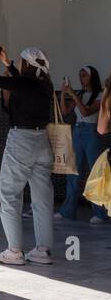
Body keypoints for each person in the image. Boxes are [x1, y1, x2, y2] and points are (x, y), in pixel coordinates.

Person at [0, 45, 55, 264]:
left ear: (27, 64)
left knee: (10, 195)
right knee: (42, 199)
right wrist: (9, 64)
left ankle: (14, 251)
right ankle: (43, 251)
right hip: (42, 142)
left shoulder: (23, 84)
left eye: (21, 61)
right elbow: (22, 83)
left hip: (21, 141)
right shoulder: (45, 85)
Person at [58, 65, 108, 224]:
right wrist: (64, 94)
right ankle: (67, 211)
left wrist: (74, 95)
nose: (81, 78)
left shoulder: (100, 95)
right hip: (78, 131)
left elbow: (86, 112)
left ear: (92, 77)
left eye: (84, 75)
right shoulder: (79, 94)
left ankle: (99, 213)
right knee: (72, 172)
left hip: (92, 133)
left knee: (95, 172)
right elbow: (65, 113)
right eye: (80, 75)